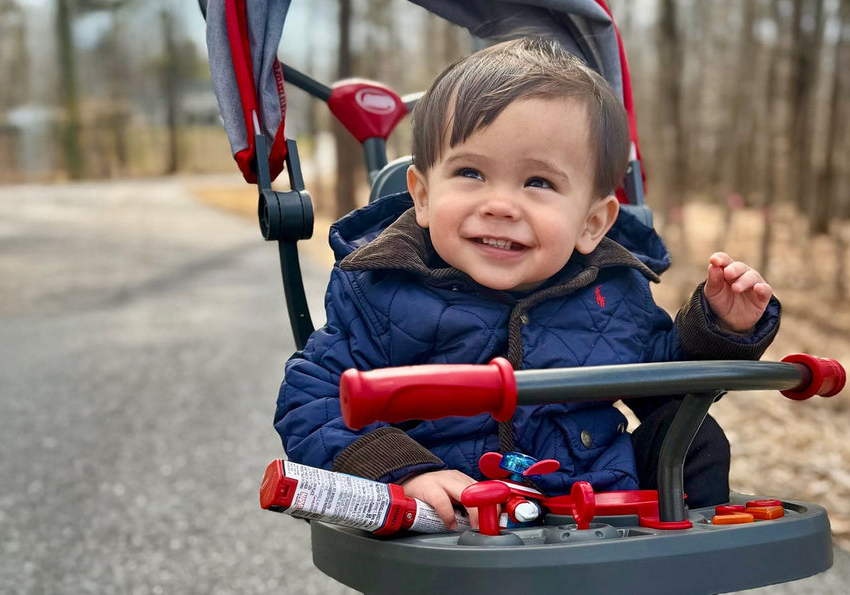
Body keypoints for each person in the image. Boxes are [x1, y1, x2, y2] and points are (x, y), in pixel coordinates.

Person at [273, 37, 780, 531]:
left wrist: (720, 328)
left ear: (591, 224)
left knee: (691, 435)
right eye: (471, 172)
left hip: (593, 504)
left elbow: (668, 381)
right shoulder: (383, 287)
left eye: (538, 183)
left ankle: (676, 571)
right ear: (422, 197)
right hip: (455, 512)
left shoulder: (610, 291)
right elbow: (311, 394)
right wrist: (404, 470)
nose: (500, 205)